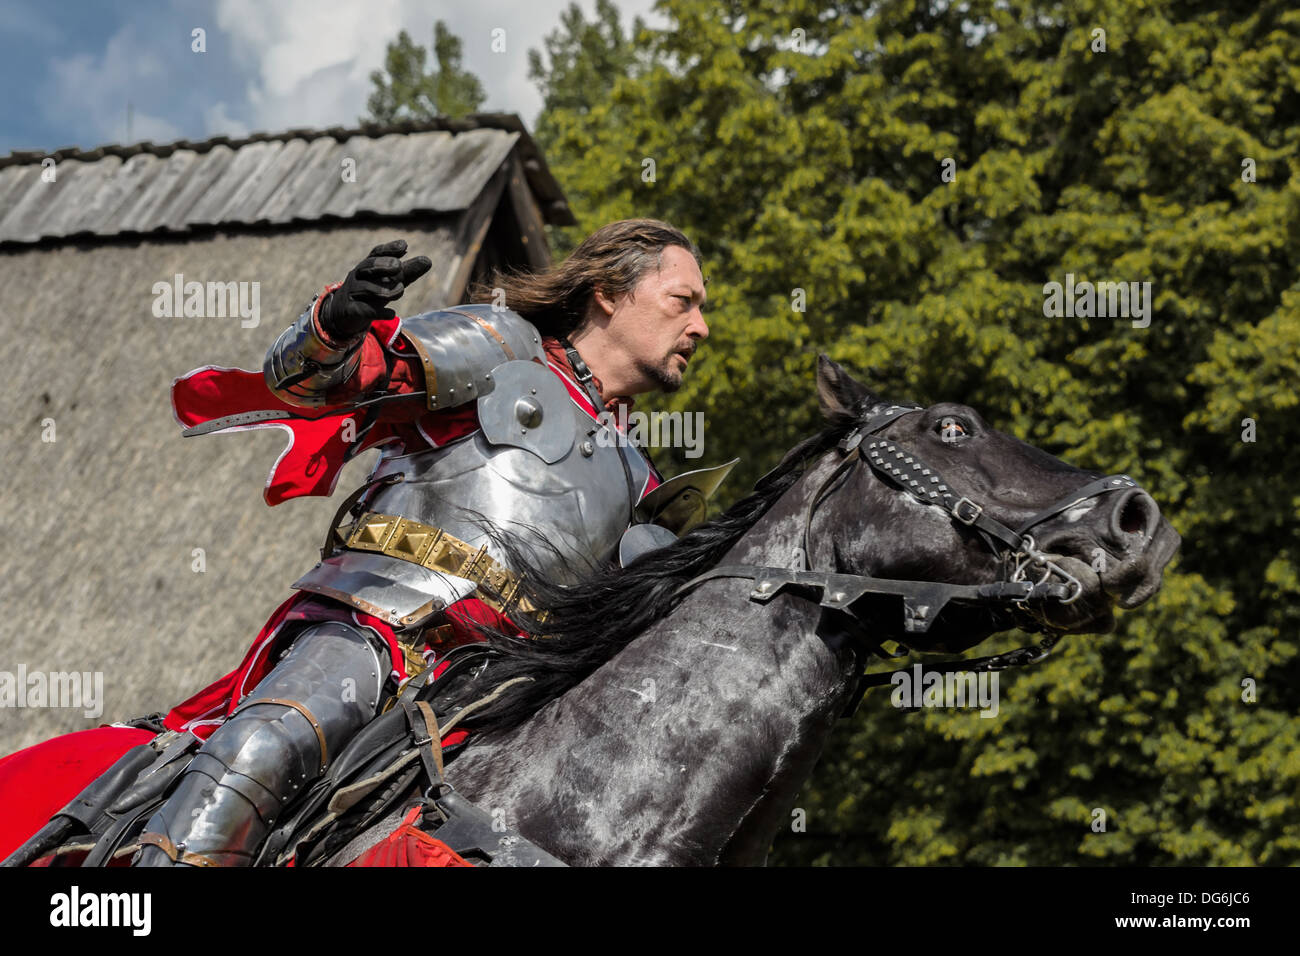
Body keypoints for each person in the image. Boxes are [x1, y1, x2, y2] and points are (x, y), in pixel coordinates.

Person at [133, 218, 722, 866]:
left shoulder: (641, 482)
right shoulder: (506, 347)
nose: (701, 328)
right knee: (262, 751)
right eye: (683, 302)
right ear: (610, 291)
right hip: (385, 630)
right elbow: (328, 382)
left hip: (502, 704)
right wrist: (334, 324)